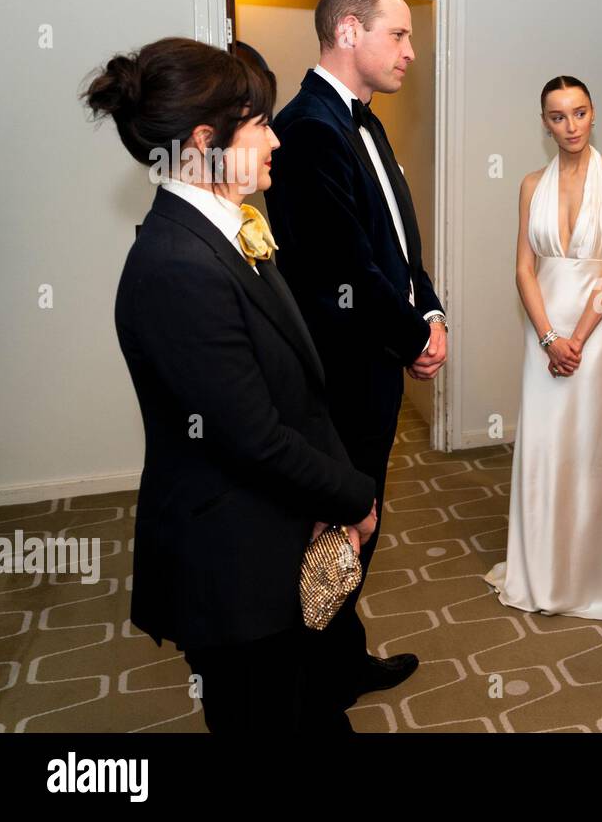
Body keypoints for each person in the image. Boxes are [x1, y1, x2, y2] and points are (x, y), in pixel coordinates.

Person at [86, 37, 377, 733]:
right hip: (234, 568)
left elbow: (293, 393)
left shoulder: (224, 230)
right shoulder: (177, 266)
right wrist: (356, 496)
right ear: (205, 140)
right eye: (260, 124)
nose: (276, 139)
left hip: (273, 538)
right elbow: (251, 435)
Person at [264, 0, 444, 707]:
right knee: (341, 518)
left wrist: (427, 309)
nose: (410, 50)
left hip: (378, 353)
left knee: (360, 510)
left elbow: (397, 241)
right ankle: (310, 674)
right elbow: (344, 265)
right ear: (347, 32)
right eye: (398, 35)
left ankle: (339, 657)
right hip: (340, 369)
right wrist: (413, 340)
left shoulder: (363, 121)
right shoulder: (309, 126)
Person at [484, 76, 602, 619]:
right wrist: (549, 337)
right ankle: (540, 570)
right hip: (543, 329)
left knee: (590, 450)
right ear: (544, 122)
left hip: (592, 334)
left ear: (594, 114)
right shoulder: (530, 184)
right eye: (557, 116)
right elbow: (524, 268)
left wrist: (576, 339)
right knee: (545, 445)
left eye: (579, 113)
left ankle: (588, 577)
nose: (570, 126)